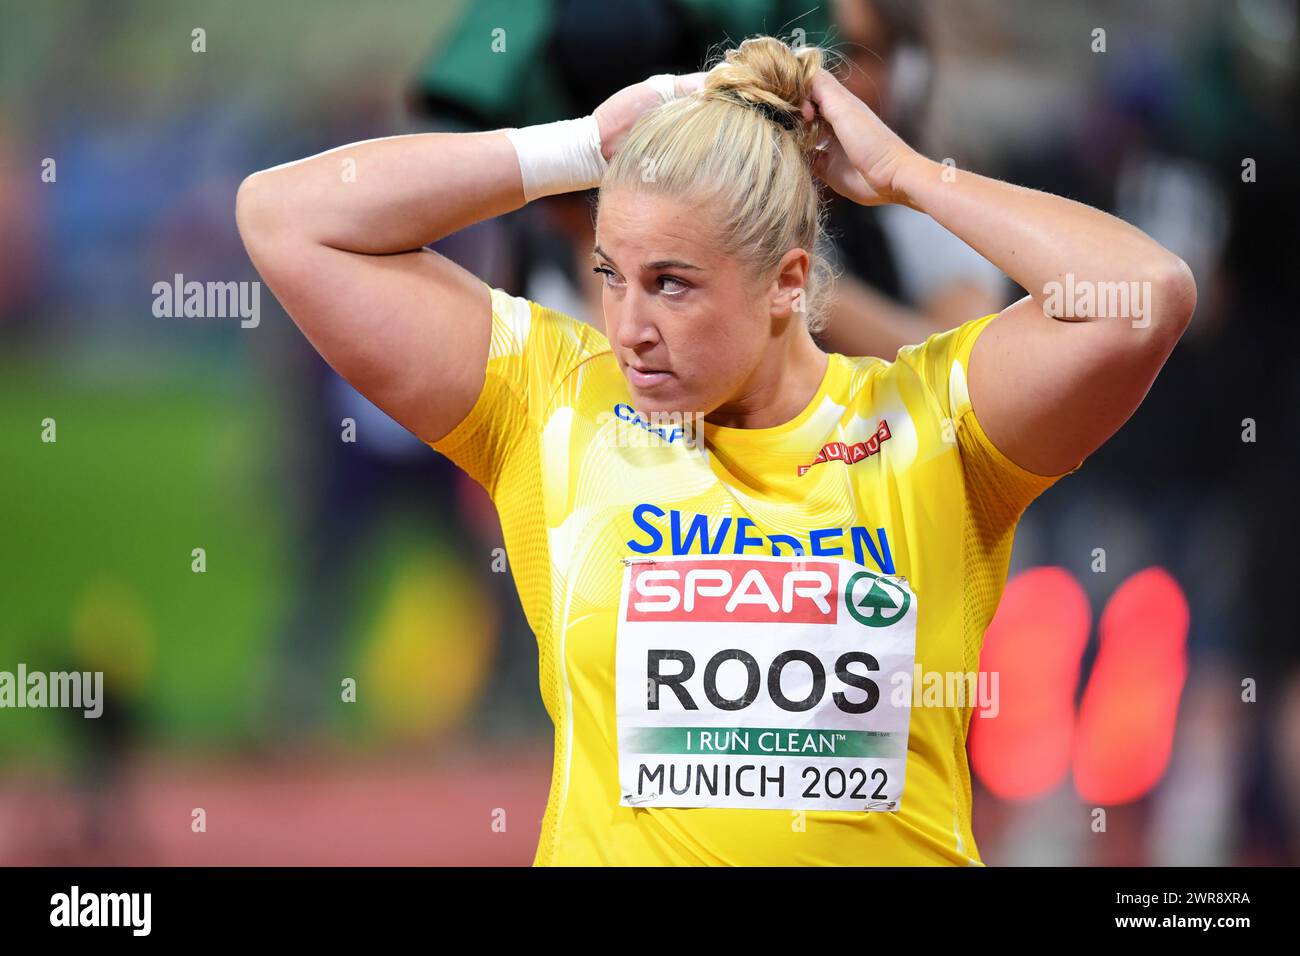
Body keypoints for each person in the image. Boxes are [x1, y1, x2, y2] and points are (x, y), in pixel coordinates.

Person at [235, 36, 1196, 865]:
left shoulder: (928, 422)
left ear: (786, 284)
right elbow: (287, 219)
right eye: (611, 277)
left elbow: (1146, 294)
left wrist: (907, 177)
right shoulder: (555, 403)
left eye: (674, 284)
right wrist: (577, 147)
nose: (629, 327)